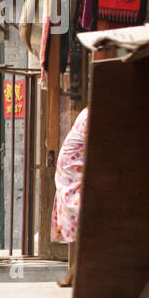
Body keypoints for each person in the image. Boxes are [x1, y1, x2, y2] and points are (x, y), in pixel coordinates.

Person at [51, 107, 89, 288]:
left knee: (77, 223)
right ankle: (73, 274)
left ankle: (73, 274)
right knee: (82, 218)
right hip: (73, 171)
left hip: (72, 170)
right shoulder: (92, 115)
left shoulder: (89, 112)